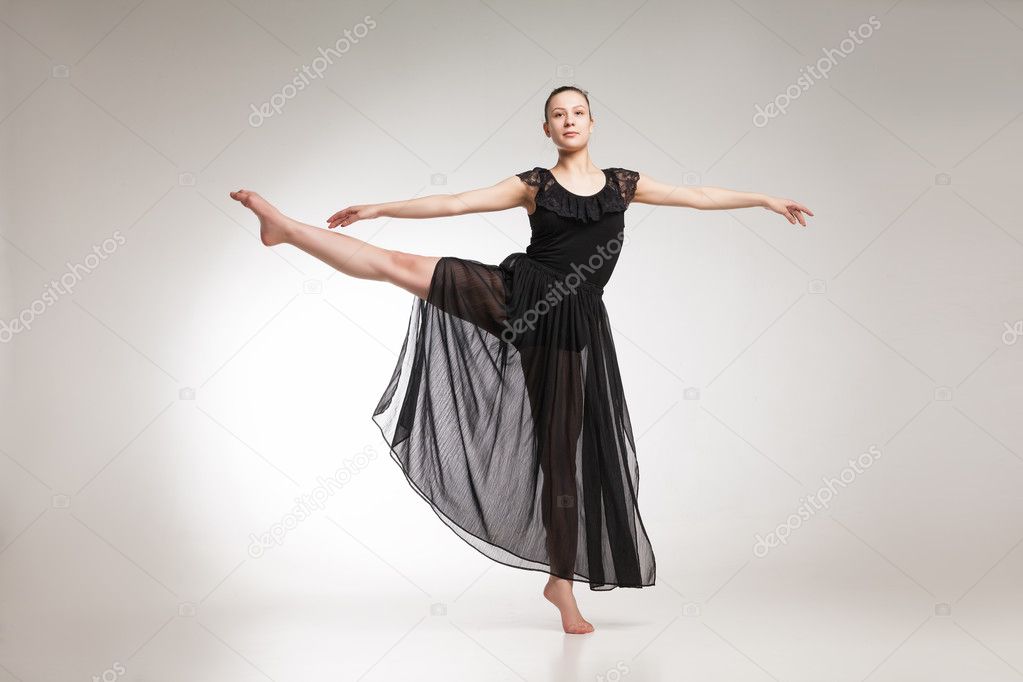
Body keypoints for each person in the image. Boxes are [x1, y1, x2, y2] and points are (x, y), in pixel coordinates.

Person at [229, 85, 813, 635]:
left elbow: (697, 195)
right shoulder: (534, 184)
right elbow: (457, 201)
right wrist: (382, 206)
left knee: (564, 453)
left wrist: (762, 198)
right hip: (521, 296)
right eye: (558, 114)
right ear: (546, 128)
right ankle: (286, 229)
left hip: (572, 326)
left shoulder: (623, 184)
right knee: (398, 265)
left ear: (591, 122)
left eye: (577, 112)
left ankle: (560, 583)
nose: (568, 120)